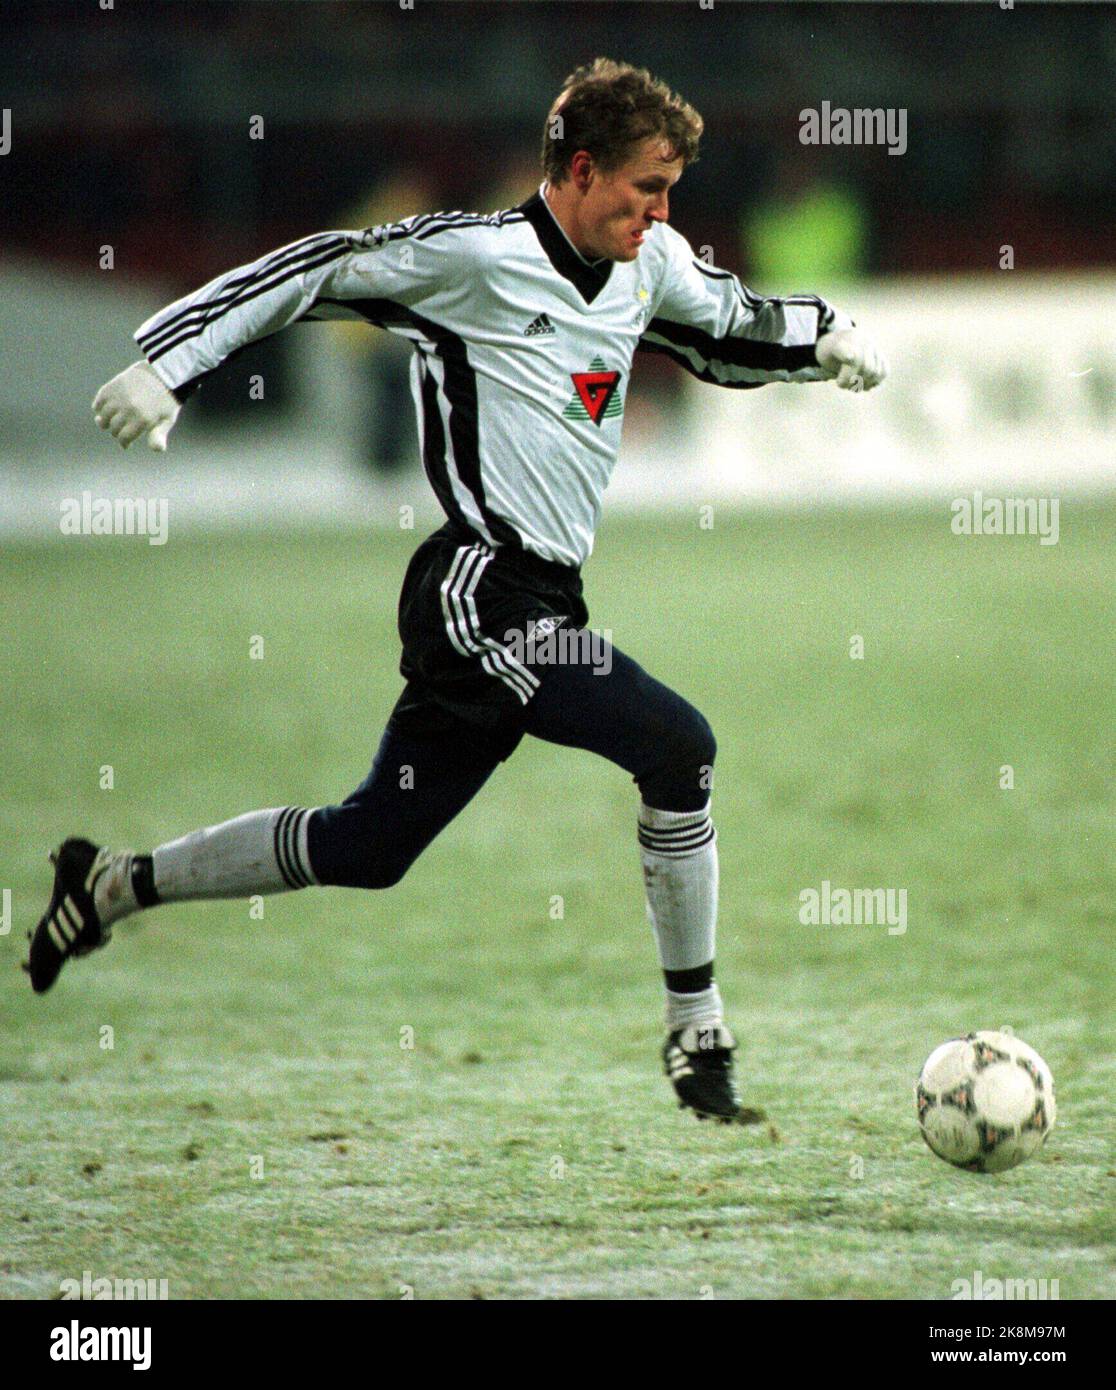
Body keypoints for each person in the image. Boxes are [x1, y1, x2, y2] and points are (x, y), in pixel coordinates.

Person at [27, 58, 886, 1124]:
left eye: (670, 193)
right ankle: (697, 1030)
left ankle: (111, 882)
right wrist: (172, 361)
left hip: (542, 603)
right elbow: (319, 268)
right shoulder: (473, 259)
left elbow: (728, 324)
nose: (662, 212)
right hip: (479, 590)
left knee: (368, 847)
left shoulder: (646, 260)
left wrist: (822, 338)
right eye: (644, 188)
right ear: (578, 170)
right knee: (679, 744)